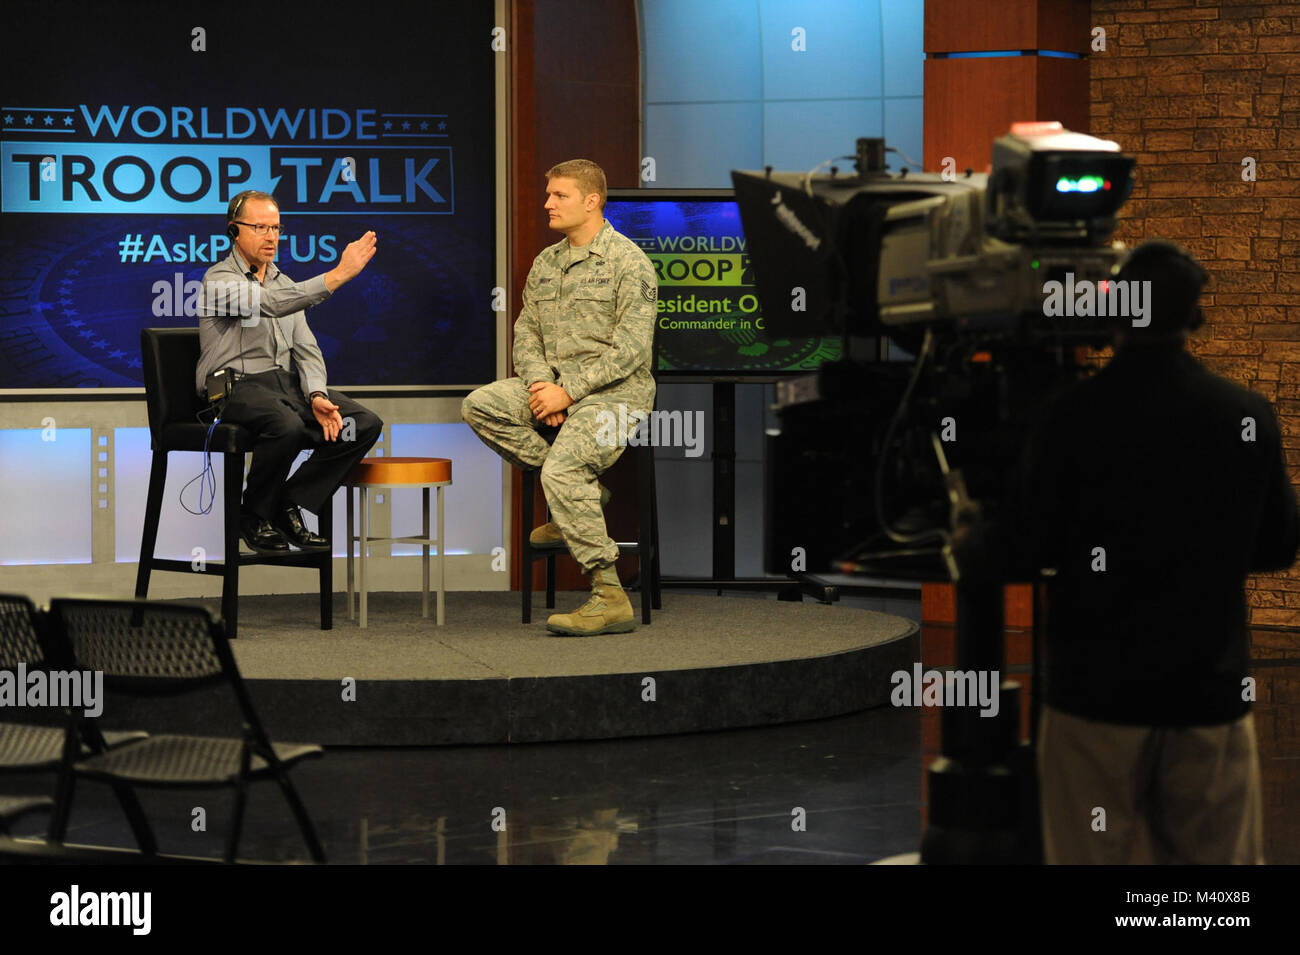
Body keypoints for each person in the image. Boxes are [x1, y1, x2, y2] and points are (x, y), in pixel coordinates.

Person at [1020, 239, 1299, 863]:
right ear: (1193, 317)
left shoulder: (1068, 414)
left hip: (1094, 695)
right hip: (1208, 690)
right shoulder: (1245, 413)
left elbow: (1033, 542)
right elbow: (1279, 545)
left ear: (1114, 308)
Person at [462, 159, 657, 636]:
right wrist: (539, 388)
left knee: (563, 468)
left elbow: (632, 349)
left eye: (559, 196)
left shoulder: (630, 263)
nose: (547, 203)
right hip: (551, 390)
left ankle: (608, 595)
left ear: (592, 201)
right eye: (547, 194)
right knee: (480, 405)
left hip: (615, 397)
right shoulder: (547, 262)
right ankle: (579, 496)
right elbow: (525, 330)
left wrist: (568, 391)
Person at [197, 189, 384, 554]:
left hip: (283, 386)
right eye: (260, 227)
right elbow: (269, 305)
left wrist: (316, 394)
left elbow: (307, 350)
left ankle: (286, 501)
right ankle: (252, 515)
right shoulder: (218, 280)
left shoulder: (285, 283)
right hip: (232, 388)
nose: (271, 237)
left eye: (276, 228)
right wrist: (339, 274)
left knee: (362, 423)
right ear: (234, 231)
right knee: (286, 425)